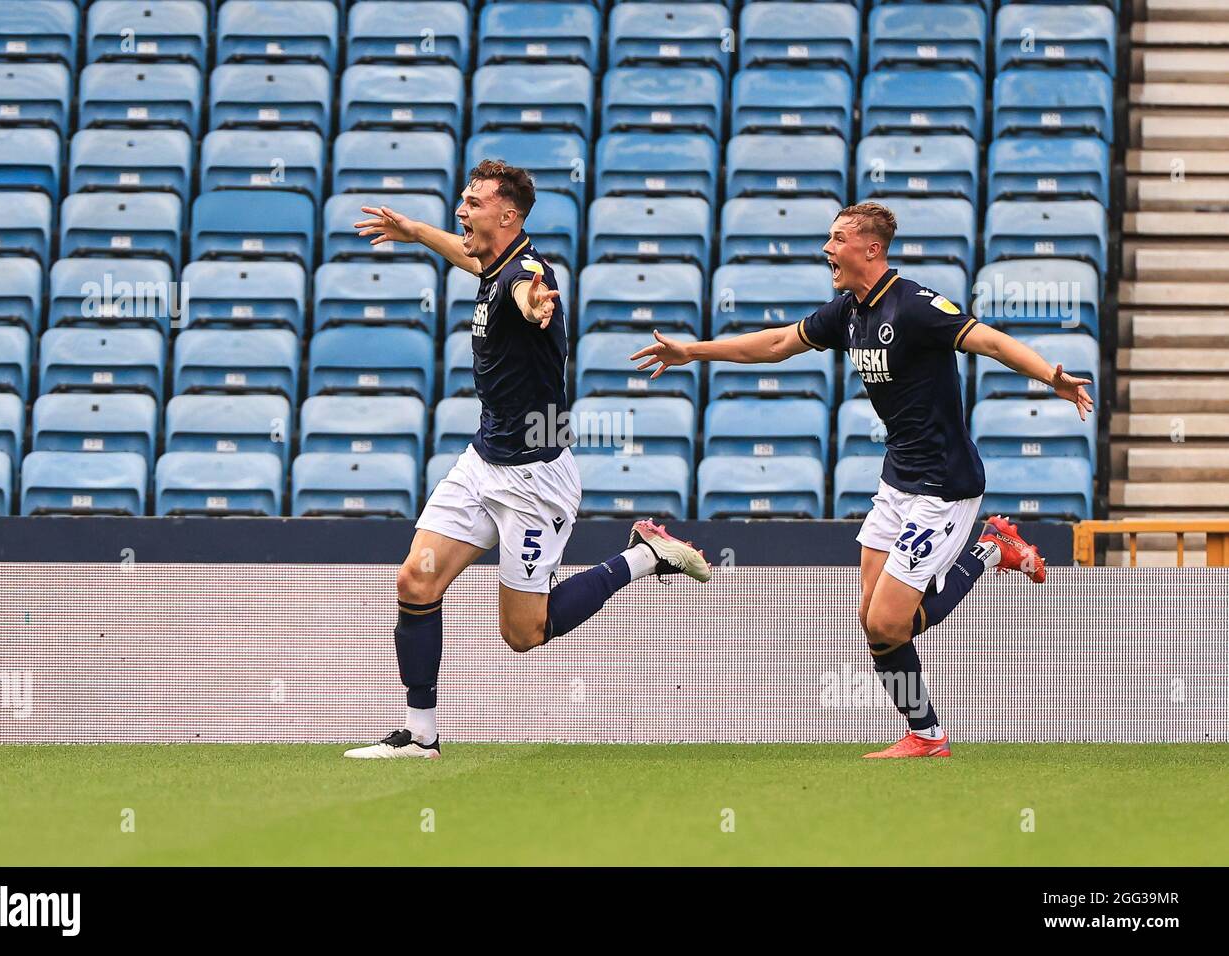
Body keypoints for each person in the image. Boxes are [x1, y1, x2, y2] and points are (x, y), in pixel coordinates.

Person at [630, 201, 1094, 758]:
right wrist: (692, 351)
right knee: (871, 618)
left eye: (836, 239)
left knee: (888, 623)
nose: (827, 249)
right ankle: (926, 736)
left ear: (870, 248)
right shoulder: (847, 311)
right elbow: (778, 343)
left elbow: (990, 341)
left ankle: (990, 550)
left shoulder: (917, 305)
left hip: (944, 487)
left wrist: (1053, 377)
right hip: (898, 480)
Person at [343, 160, 711, 759]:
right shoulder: (491, 263)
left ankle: (643, 558)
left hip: (535, 478)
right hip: (484, 459)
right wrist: (415, 231)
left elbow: (528, 294)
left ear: (508, 215)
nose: (461, 210)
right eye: (462, 201)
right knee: (415, 578)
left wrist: (537, 306)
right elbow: (471, 260)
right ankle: (421, 733)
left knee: (523, 633)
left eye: (473, 202)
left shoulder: (528, 274)